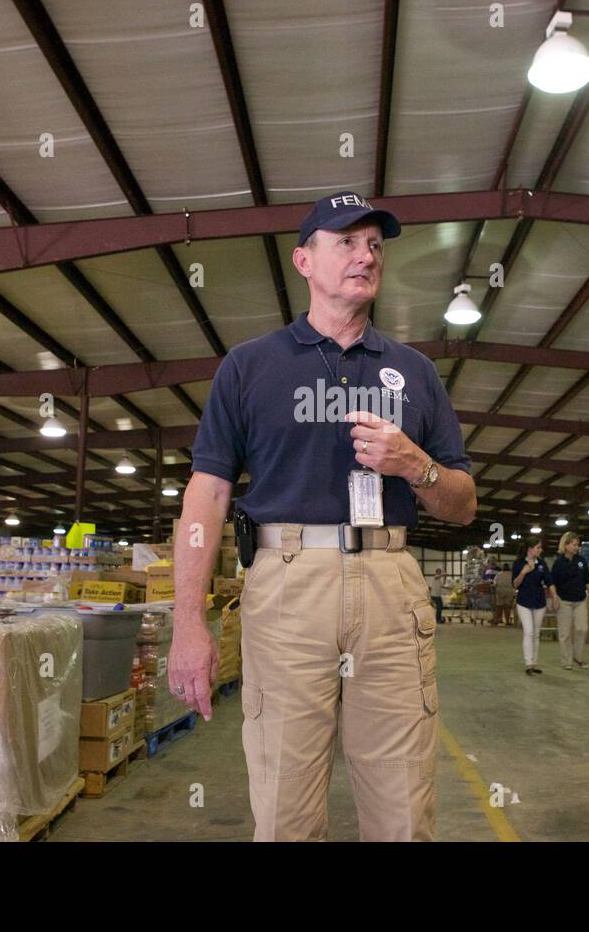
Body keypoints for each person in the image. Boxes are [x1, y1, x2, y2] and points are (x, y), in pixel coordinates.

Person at [168, 191, 476, 841]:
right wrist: (188, 622)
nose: (366, 254)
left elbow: (462, 502)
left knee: (404, 814)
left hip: (392, 585)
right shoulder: (250, 367)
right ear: (303, 259)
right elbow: (206, 497)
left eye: (375, 245)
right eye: (347, 241)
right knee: (285, 813)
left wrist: (417, 466)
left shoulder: (414, 373)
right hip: (286, 584)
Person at [511, 538, 555, 675]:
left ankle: (534, 663)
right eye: (538, 547)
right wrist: (524, 572)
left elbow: (549, 581)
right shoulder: (518, 564)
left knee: (536, 633)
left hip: (539, 602)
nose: (541, 550)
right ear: (530, 549)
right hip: (523, 602)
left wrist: (555, 596)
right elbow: (515, 584)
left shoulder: (542, 564)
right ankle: (528, 663)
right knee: (528, 631)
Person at [551, 532, 589, 669]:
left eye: (577, 545)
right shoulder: (558, 563)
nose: (576, 547)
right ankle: (566, 661)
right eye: (573, 545)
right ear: (566, 545)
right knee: (565, 633)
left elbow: (587, 579)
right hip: (564, 601)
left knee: (582, 629)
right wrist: (555, 597)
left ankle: (578, 657)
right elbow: (552, 582)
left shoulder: (581, 561)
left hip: (580, 600)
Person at [492, 562, 514, 626]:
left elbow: (495, 583)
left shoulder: (499, 574)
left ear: (502, 568)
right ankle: (507, 621)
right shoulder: (512, 574)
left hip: (500, 590)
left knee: (499, 606)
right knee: (507, 606)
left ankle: (496, 620)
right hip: (510, 590)